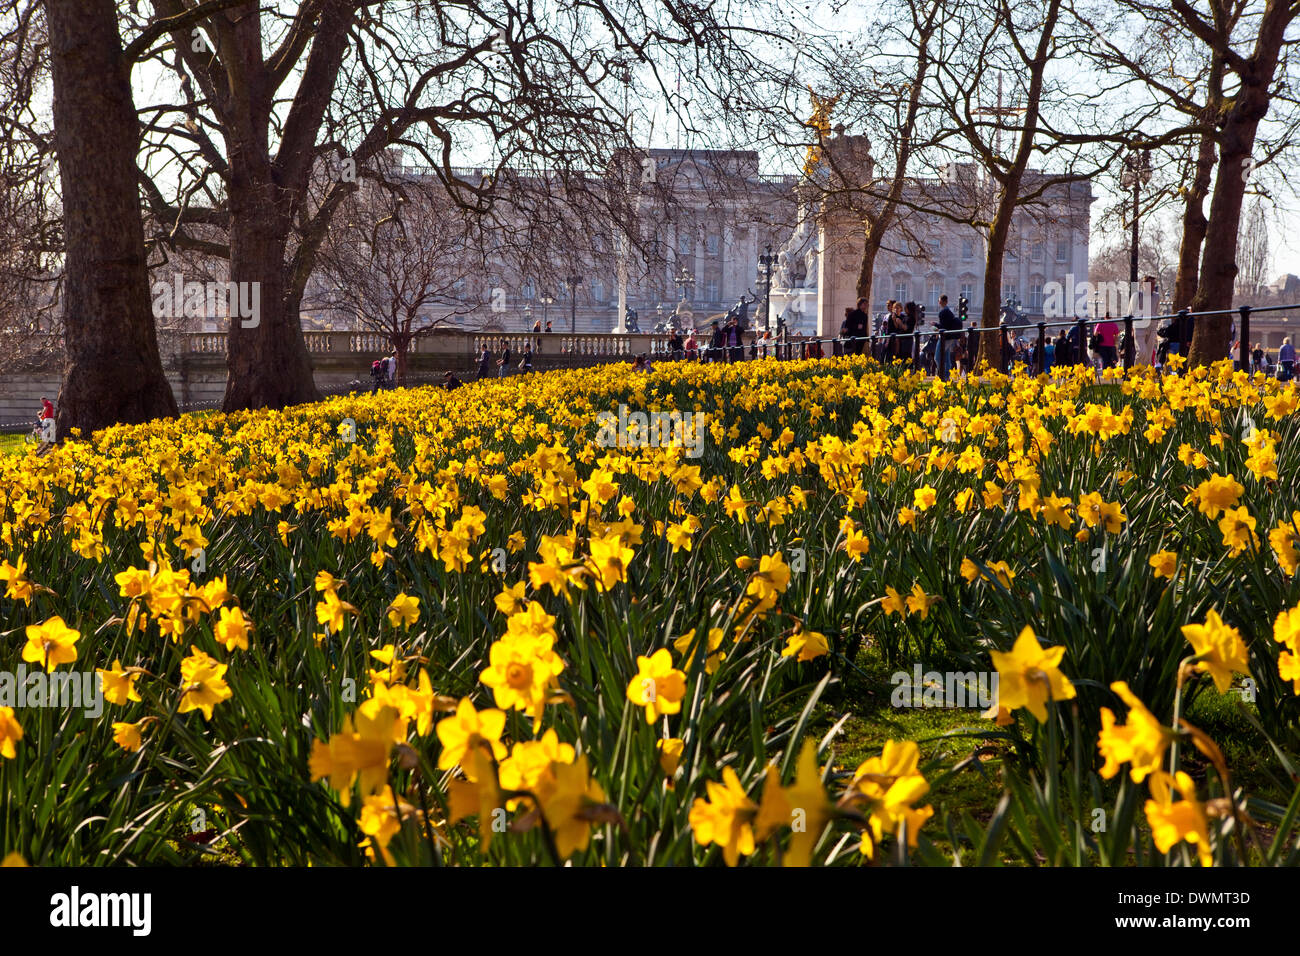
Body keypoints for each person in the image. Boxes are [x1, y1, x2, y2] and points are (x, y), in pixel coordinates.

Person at [936, 294, 961, 379]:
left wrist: (935, 325)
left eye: (939, 301)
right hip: (950, 337)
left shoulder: (943, 312)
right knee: (946, 357)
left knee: (937, 357)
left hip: (945, 338)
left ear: (940, 302)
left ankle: (943, 374)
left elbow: (943, 326)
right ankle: (947, 374)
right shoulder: (949, 312)